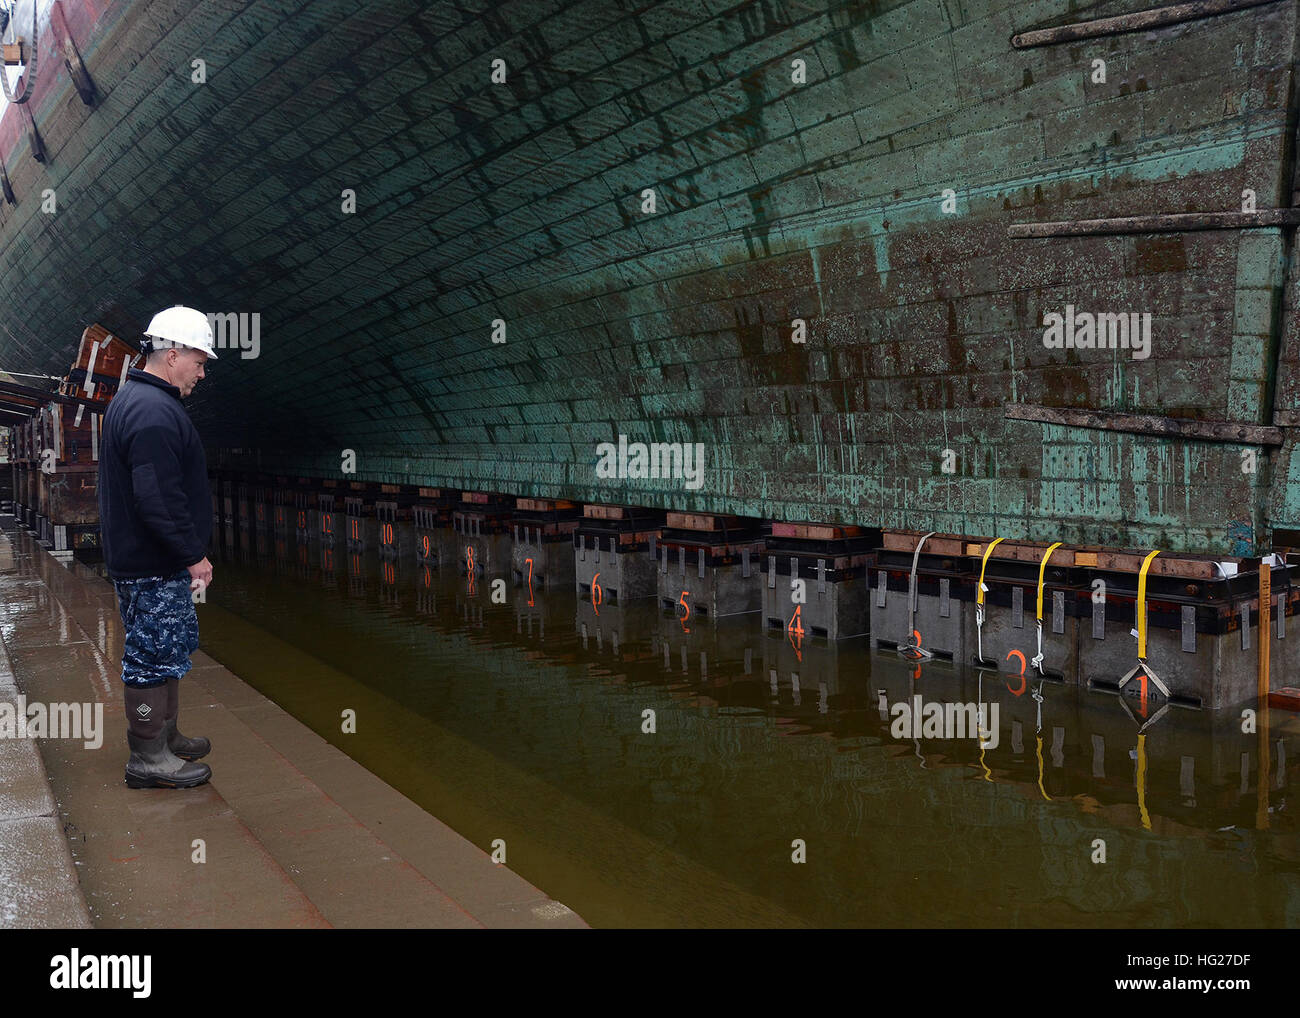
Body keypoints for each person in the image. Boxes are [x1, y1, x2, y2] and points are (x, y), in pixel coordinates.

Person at [97, 305, 217, 789]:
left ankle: (165, 736)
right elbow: (157, 499)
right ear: (172, 354)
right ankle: (147, 756)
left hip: (143, 560)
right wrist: (193, 554)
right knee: (149, 655)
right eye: (199, 361)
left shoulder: (139, 401)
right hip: (152, 562)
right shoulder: (152, 413)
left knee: (167, 646)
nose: (202, 372)